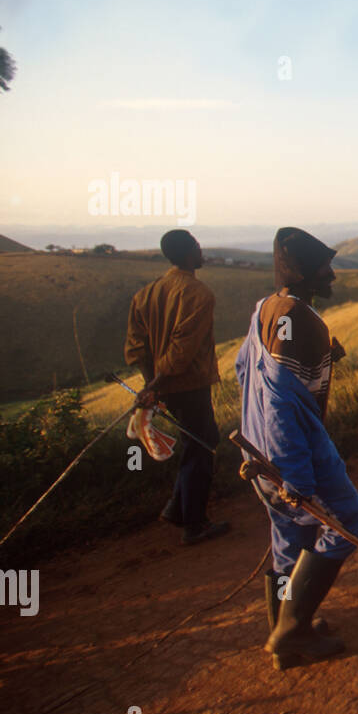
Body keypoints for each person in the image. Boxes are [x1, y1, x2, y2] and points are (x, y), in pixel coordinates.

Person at [236, 227, 358, 669]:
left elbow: (245, 371)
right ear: (306, 272)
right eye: (324, 268)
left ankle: (287, 632)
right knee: (348, 515)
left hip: (257, 449)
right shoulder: (301, 319)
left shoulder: (265, 309)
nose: (332, 275)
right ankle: (293, 626)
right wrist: (297, 476)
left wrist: (325, 358)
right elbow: (280, 403)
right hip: (293, 450)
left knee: (292, 534)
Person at [124, 229, 229, 545]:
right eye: (197, 246)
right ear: (188, 254)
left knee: (196, 441)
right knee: (202, 443)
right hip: (189, 383)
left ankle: (178, 510)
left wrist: (151, 382)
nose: (201, 251)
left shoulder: (145, 294)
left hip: (164, 384)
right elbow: (182, 349)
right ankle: (193, 524)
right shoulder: (198, 294)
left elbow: (136, 348)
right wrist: (157, 382)